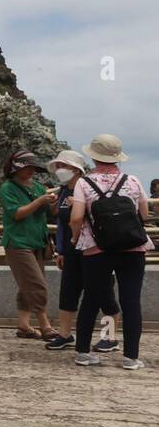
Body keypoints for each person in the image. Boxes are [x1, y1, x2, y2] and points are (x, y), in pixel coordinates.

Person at [70, 134, 153, 369]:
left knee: (91, 300)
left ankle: (83, 353)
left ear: (93, 156)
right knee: (131, 300)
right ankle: (131, 358)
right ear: (117, 157)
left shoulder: (84, 183)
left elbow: (76, 217)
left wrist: (76, 237)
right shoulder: (133, 181)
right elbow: (144, 215)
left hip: (96, 248)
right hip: (132, 247)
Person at [45, 150, 121, 352]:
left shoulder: (89, 187)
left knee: (104, 293)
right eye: (58, 166)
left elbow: (103, 216)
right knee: (68, 291)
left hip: (94, 249)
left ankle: (110, 337)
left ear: (77, 170)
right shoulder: (63, 191)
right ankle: (64, 334)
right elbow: (62, 225)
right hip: (71, 250)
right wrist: (60, 251)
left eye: (65, 166)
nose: (61, 170)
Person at [0, 150, 57, 340]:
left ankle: (23, 326)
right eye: (28, 167)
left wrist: (59, 201)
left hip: (37, 241)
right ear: (17, 168)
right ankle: (45, 325)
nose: (32, 170)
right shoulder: (7, 188)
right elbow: (16, 213)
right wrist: (40, 201)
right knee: (36, 284)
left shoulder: (38, 187)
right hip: (17, 242)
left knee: (27, 285)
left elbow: (49, 213)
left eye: (34, 167)